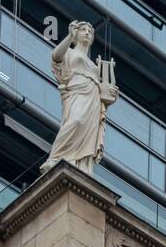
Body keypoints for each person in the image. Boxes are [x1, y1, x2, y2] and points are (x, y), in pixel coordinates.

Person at [41, 21, 117, 175]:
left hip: (93, 97)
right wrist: (69, 36)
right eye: (83, 30)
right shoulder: (69, 52)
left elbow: (102, 88)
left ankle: (80, 166)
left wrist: (110, 92)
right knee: (75, 121)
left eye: (90, 31)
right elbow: (56, 57)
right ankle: (55, 158)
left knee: (86, 129)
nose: (87, 33)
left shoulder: (94, 65)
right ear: (76, 34)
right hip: (76, 91)